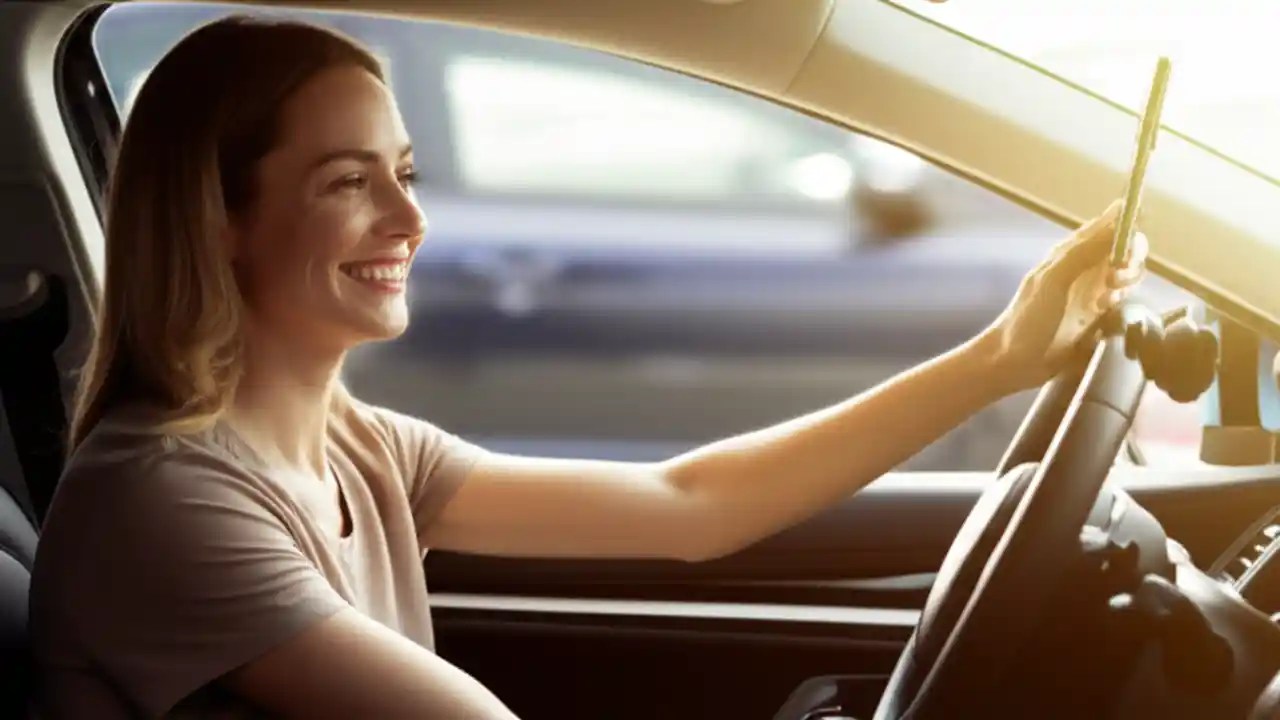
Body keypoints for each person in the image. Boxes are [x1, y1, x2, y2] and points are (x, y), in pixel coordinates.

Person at [28, 15, 1146, 720]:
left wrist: (999, 360)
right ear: (217, 221)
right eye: (346, 182)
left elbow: (688, 504)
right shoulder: (165, 500)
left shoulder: (358, 447)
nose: (409, 217)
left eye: (405, 171)